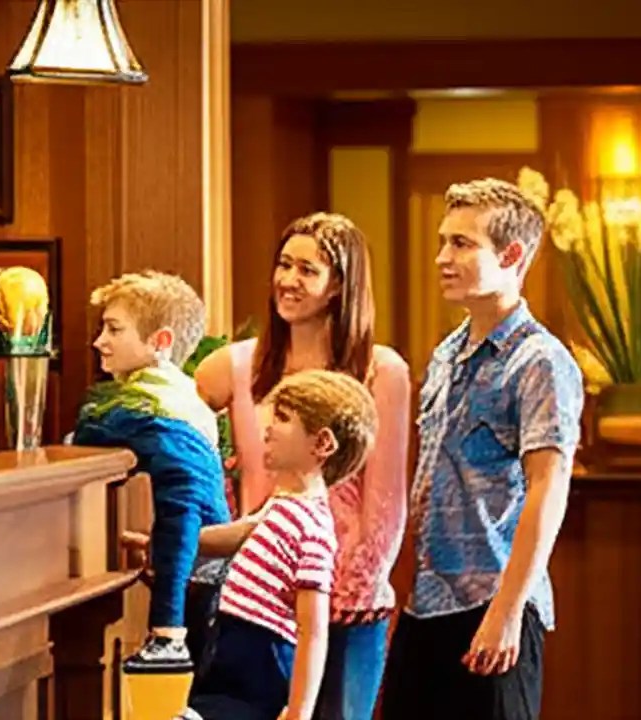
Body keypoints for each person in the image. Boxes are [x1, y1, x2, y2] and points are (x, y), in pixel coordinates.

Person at [380, 178, 583, 720]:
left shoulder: (540, 361)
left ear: (512, 255)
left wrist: (508, 610)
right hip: (424, 604)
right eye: (444, 241)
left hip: (491, 605)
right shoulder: (447, 354)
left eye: (462, 244)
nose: (443, 257)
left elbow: (549, 488)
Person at [194, 212, 410, 719]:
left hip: (346, 604)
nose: (288, 280)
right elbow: (177, 430)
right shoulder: (236, 365)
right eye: (283, 265)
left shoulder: (382, 370)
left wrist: (330, 598)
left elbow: (385, 508)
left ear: (339, 286)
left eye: (307, 270)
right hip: (257, 600)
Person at [179, 369, 378, 720]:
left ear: (322, 444)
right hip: (228, 643)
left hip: (261, 657)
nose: (268, 429)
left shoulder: (313, 526)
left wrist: (300, 711)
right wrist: (173, 544)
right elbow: (243, 533)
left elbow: (312, 630)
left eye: (283, 419)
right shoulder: (284, 503)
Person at [72, 270, 231, 672]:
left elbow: (94, 427)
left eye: (114, 329)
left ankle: (167, 634)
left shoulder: (149, 403)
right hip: (211, 568)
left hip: (193, 567)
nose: (99, 342)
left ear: (160, 342)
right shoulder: (188, 399)